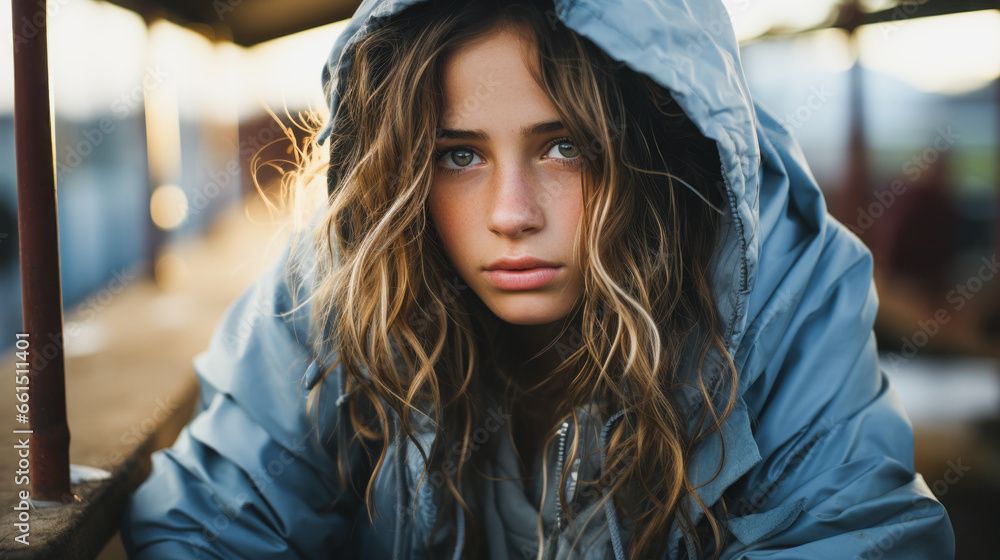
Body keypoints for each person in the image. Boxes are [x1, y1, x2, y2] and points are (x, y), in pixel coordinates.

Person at [119, 0, 956, 558]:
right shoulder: (340, 281)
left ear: (653, 149)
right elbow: (211, 527)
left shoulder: (779, 285)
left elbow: (855, 532)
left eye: (567, 146)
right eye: (458, 155)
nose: (511, 212)